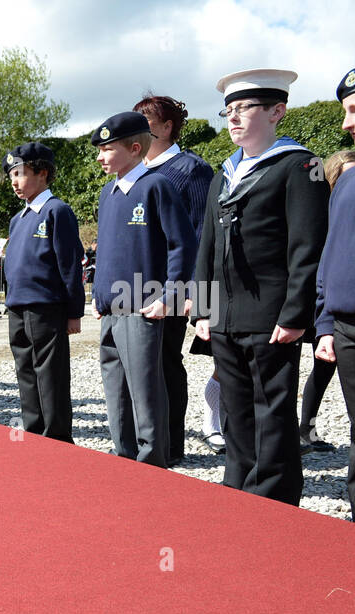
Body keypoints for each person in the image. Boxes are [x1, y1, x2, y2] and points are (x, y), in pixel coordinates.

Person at [192, 70, 328, 505]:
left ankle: (274, 498)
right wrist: (201, 310)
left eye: (243, 109)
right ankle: (240, 488)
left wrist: (294, 315)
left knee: (272, 411)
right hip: (226, 317)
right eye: (227, 111)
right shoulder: (223, 175)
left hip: (271, 317)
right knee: (235, 408)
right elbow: (208, 250)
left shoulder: (298, 167)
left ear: (277, 112)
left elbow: (306, 248)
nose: (232, 119)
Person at [92, 110, 196, 468]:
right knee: (115, 390)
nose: (101, 157)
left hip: (141, 306)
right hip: (110, 310)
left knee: (146, 391)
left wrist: (170, 295)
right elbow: (107, 249)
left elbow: (181, 244)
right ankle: (124, 455)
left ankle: (153, 461)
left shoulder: (157, 186)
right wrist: (98, 295)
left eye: (108, 149)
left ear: (135, 148)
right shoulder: (109, 193)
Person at [134, 93, 216, 464]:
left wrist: (193, 294)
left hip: (170, 287)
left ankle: (170, 444)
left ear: (167, 127)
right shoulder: (134, 172)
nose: (140, 129)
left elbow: (202, 235)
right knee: (137, 368)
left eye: (147, 121)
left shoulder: (190, 170)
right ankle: (145, 440)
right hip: (132, 287)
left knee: (165, 363)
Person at [2, 143, 86, 442]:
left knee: (50, 375)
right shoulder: (19, 218)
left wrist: (74, 311)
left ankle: (57, 436)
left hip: (46, 307)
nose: (14, 181)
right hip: (17, 307)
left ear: (43, 173)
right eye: (11, 174)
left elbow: (69, 264)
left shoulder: (57, 211)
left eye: (20, 173)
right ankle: (34, 430)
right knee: (25, 372)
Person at [313, 64, 355, 523]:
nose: (347, 122)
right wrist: (326, 323)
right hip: (349, 332)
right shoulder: (349, 179)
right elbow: (330, 255)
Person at [299, 148, 355, 453]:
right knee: (323, 367)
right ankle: (305, 429)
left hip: (339, 299)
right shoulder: (321, 210)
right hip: (320, 297)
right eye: (347, 174)